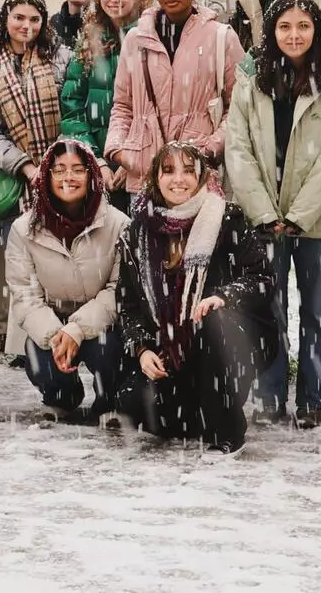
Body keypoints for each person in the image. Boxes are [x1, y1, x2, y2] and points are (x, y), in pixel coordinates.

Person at [224, 0, 321, 429]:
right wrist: (263, 212)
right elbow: (237, 149)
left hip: (315, 221)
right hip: (264, 221)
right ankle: (269, 395)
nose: (294, 35)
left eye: (303, 26)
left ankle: (316, 395)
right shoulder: (251, 80)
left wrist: (300, 213)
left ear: (316, 31)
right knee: (268, 310)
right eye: (284, 27)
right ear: (271, 32)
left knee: (318, 311)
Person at [116, 142, 275, 454]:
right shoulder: (137, 233)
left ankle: (227, 432)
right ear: (155, 178)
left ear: (203, 176)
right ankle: (198, 413)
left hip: (230, 339)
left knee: (213, 323)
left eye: (189, 171)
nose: (179, 179)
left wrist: (225, 297)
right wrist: (142, 348)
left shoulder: (227, 218)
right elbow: (128, 305)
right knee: (133, 400)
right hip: (172, 347)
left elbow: (263, 278)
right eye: (169, 171)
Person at [0, 0, 72, 357]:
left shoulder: (61, 58)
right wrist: (25, 165)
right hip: (17, 176)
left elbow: (71, 109)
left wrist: (58, 162)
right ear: (5, 21)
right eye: (18, 18)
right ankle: (11, 333)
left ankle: (59, 329)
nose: (26, 25)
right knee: (12, 255)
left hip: (63, 170)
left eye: (34, 19)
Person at [4, 138, 132, 423]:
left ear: (92, 176)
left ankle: (109, 398)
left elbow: (118, 290)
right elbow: (24, 294)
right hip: (52, 318)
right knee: (39, 357)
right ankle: (62, 396)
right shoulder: (24, 229)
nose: (68, 177)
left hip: (102, 324)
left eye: (77, 169)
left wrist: (77, 328)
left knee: (109, 349)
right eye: (59, 169)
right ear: (47, 176)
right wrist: (56, 333)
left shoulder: (118, 224)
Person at [104, 0, 244, 197]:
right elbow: (122, 105)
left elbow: (240, 105)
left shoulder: (221, 37)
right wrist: (119, 150)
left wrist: (210, 148)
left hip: (195, 173)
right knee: (147, 235)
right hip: (145, 173)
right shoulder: (136, 39)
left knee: (200, 236)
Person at [59, 0, 147, 209]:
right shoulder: (90, 39)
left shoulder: (151, 36)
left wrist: (131, 161)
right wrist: (96, 159)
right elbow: (72, 106)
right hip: (98, 165)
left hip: (141, 163)